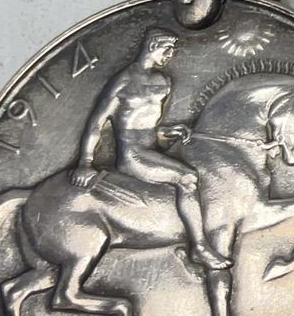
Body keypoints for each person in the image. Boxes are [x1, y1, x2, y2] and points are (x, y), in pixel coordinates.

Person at [72, 28, 229, 270]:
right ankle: (198, 247)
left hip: (150, 150)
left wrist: (169, 131)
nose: (169, 56)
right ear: (153, 45)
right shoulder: (123, 81)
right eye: (167, 50)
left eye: (173, 51)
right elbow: (97, 123)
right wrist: (85, 162)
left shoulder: (163, 82)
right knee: (188, 178)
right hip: (132, 157)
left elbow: (147, 129)